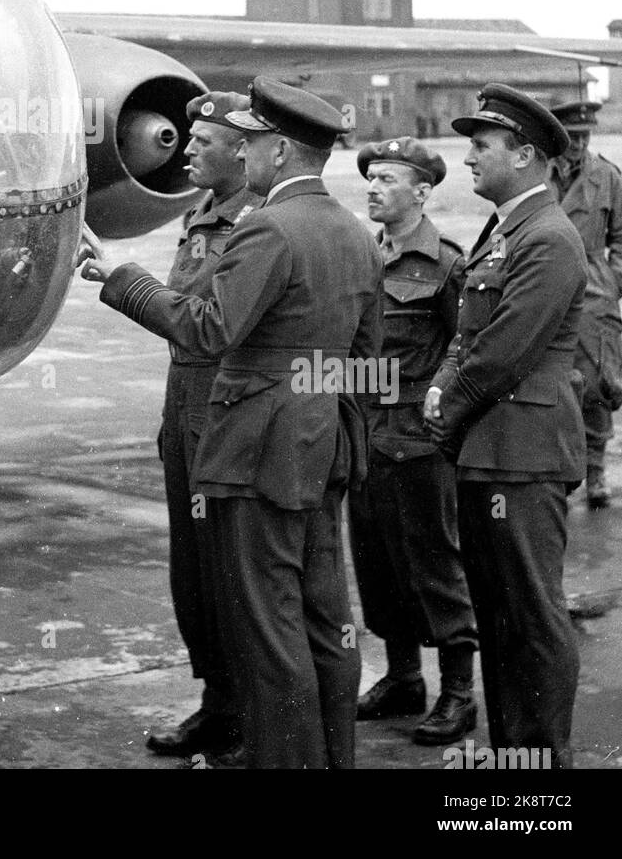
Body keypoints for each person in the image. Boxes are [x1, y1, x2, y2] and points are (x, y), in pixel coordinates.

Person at [78, 77, 382, 769]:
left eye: (252, 141)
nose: (243, 155)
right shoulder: (353, 234)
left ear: (277, 151)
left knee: (268, 634)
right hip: (321, 446)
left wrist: (119, 279)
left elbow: (205, 327)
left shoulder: (269, 228)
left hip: (257, 455)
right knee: (322, 625)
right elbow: (365, 357)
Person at [424, 83, 587, 769]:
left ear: (523, 155)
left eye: (480, 146)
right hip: (492, 450)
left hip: (521, 452)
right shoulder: (511, 228)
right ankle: (513, 766)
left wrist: (441, 407)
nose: (467, 158)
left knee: (529, 617)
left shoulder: (548, 236)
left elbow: (506, 348)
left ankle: (541, 775)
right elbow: (473, 335)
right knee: (500, 617)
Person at [143, 91, 262, 758]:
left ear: (239, 148)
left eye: (200, 140)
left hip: (223, 423)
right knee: (192, 575)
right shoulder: (201, 216)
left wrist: (127, 283)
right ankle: (217, 703)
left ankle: (248, 712)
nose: (184, 149)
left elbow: (202, 320)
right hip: (184, 419)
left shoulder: (256, 224)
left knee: (231, 573)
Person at [348, 138, 479, 745]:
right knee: (377, 566)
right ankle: (404, 678)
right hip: (364, 436)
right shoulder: (360, 256)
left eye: (387, 179)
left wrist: (440, 418)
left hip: (418, 441)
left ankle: (458, 692)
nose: (373, 188)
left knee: (434, 565)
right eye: (370, 177)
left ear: (422, 192)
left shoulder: (448, 264)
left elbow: (465, 350)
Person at [547, 99, 622, 509]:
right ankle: (556, 475)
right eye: (571, 136)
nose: (578, 144)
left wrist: (611, 282)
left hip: (593, 294)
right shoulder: (535, 174)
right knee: (550, 384)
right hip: (544, 290)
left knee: (597, 385)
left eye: (585, 136)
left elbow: (621, 238)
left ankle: (595, 472)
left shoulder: (607, 176)